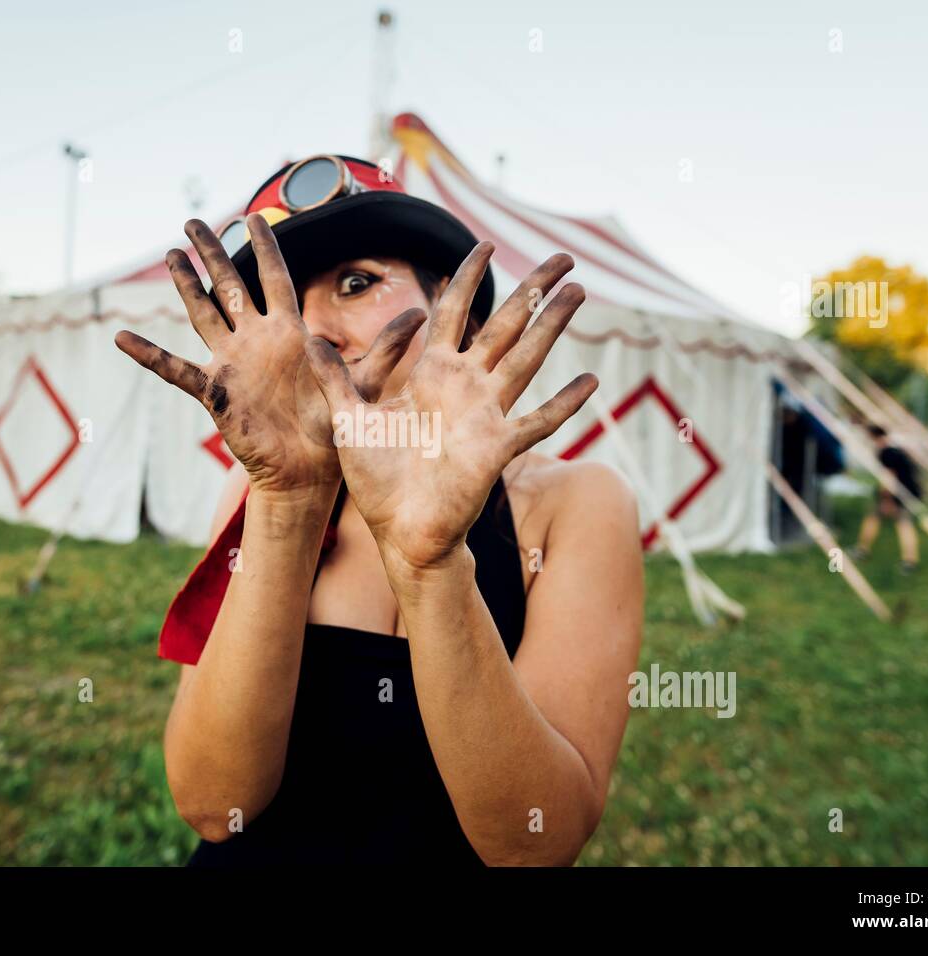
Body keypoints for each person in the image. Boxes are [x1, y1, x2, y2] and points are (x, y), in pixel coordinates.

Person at [114, 155, 643, 866]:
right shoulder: (257, 494)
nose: (316, 332)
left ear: (464, 315)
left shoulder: (572, 504)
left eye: (357, 283)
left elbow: (534, 842)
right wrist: (289, 503)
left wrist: (430, 567)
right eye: (287, 307)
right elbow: (214, 806)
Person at [851, 423, 921, 573]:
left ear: (872, 436)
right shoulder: (894, 450)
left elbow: (889, 477)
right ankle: (908, 560)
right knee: (880, 519)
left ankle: (908, 561)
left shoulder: (886, 452)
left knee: (900, 523)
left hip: (898, 492)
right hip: (907, 491)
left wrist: (886, 499)